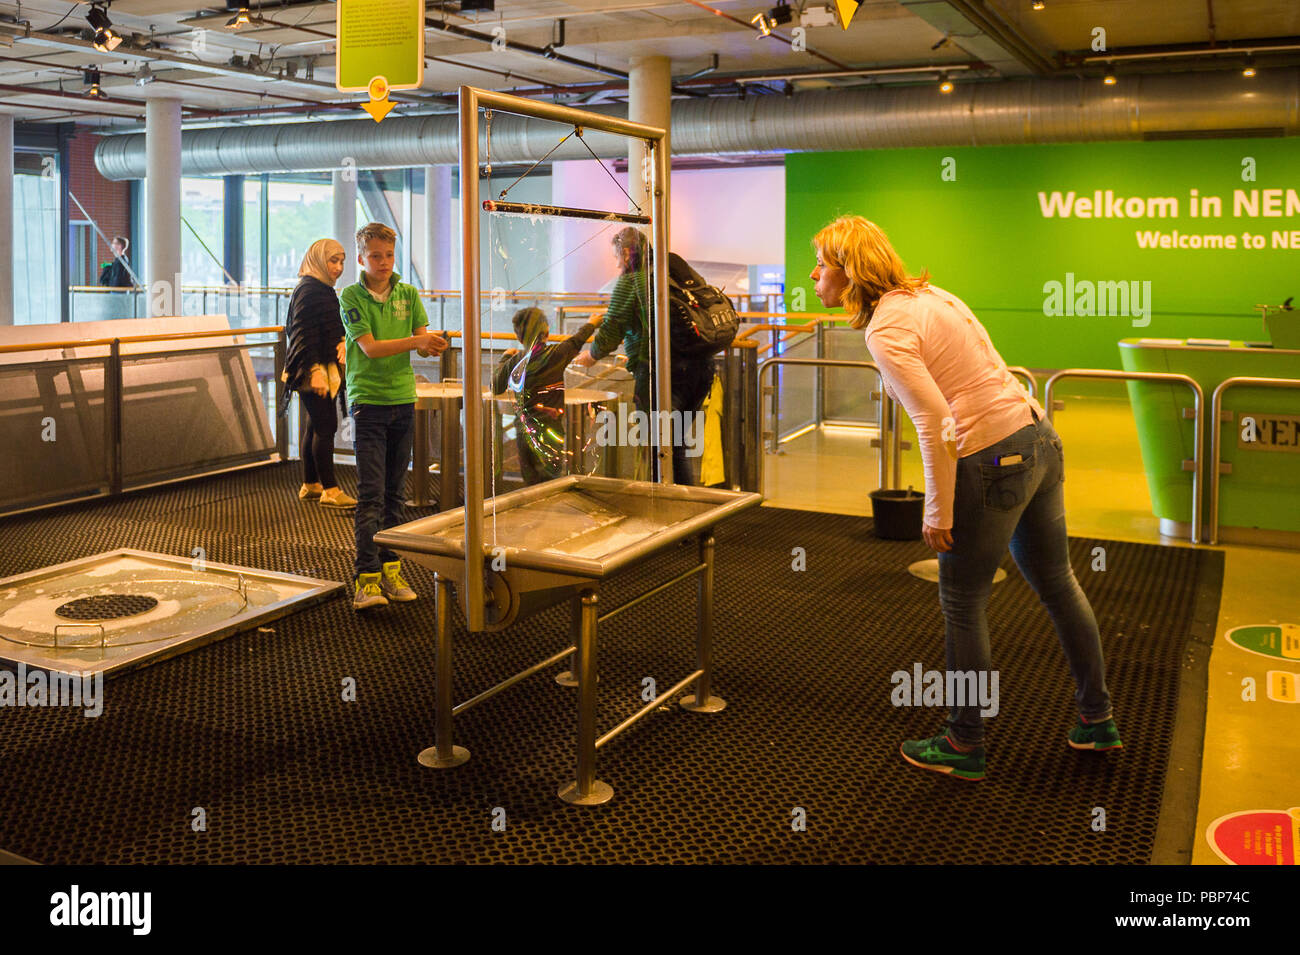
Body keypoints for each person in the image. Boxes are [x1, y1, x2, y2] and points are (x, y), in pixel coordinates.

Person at [810, 214, 1121, 782]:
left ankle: (964, 741)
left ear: (850, 273)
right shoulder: (930, 294)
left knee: (962, 601)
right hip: (1037, 438)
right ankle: (1096, 720)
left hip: (991, 456)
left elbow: (935, 420)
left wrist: (938, 509)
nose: (813, 275)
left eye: (822, 264)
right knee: (1058, 581)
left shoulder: (886, 328)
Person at [341, 222, 448, 611]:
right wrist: (417, 340)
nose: (383, 263)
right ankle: (365, 580)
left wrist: (429, 345)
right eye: (375, 256)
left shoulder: (408, 292)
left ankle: (391, 568)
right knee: (370, 495)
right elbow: (369, 348)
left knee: (394, 494)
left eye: (388, 255)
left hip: (403, 400)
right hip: (368, 402)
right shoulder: (351, 296)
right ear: (361, 258)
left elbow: (418, 341)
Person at [572, 228, 712, 483]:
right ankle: (688, 512)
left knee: (660, 445)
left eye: (616, 256)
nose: (616, 263)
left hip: (662, 374)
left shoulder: (632, 281)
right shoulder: (671, 271)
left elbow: (613, 325)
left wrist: (591, 356)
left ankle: (671, 511)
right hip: (700, 368)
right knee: (676, 444)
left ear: (626, 253)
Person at [280, 238, 356, 510]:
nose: (338, 268)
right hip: (313, 370)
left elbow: (320, 326)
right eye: (332, 261)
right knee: (326, 427)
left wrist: (339, 341)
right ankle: (330, 490)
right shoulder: (312, 289)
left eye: (341, 261)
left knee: (315, 425)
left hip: (316, 369)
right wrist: (314, 371)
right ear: (318, 261)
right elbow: (301, 333)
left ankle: (311, 483)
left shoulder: (317, 287)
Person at [492, 306, 602, 484]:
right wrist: (591, 323)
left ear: (519, 338)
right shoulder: (556, 354)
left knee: (530, 483)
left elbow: (496, 386)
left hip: (523, 433)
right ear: (547, 332)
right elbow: (576, 341)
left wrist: (504, 358)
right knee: (548, 484)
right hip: (550, 431)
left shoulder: (516, 360)